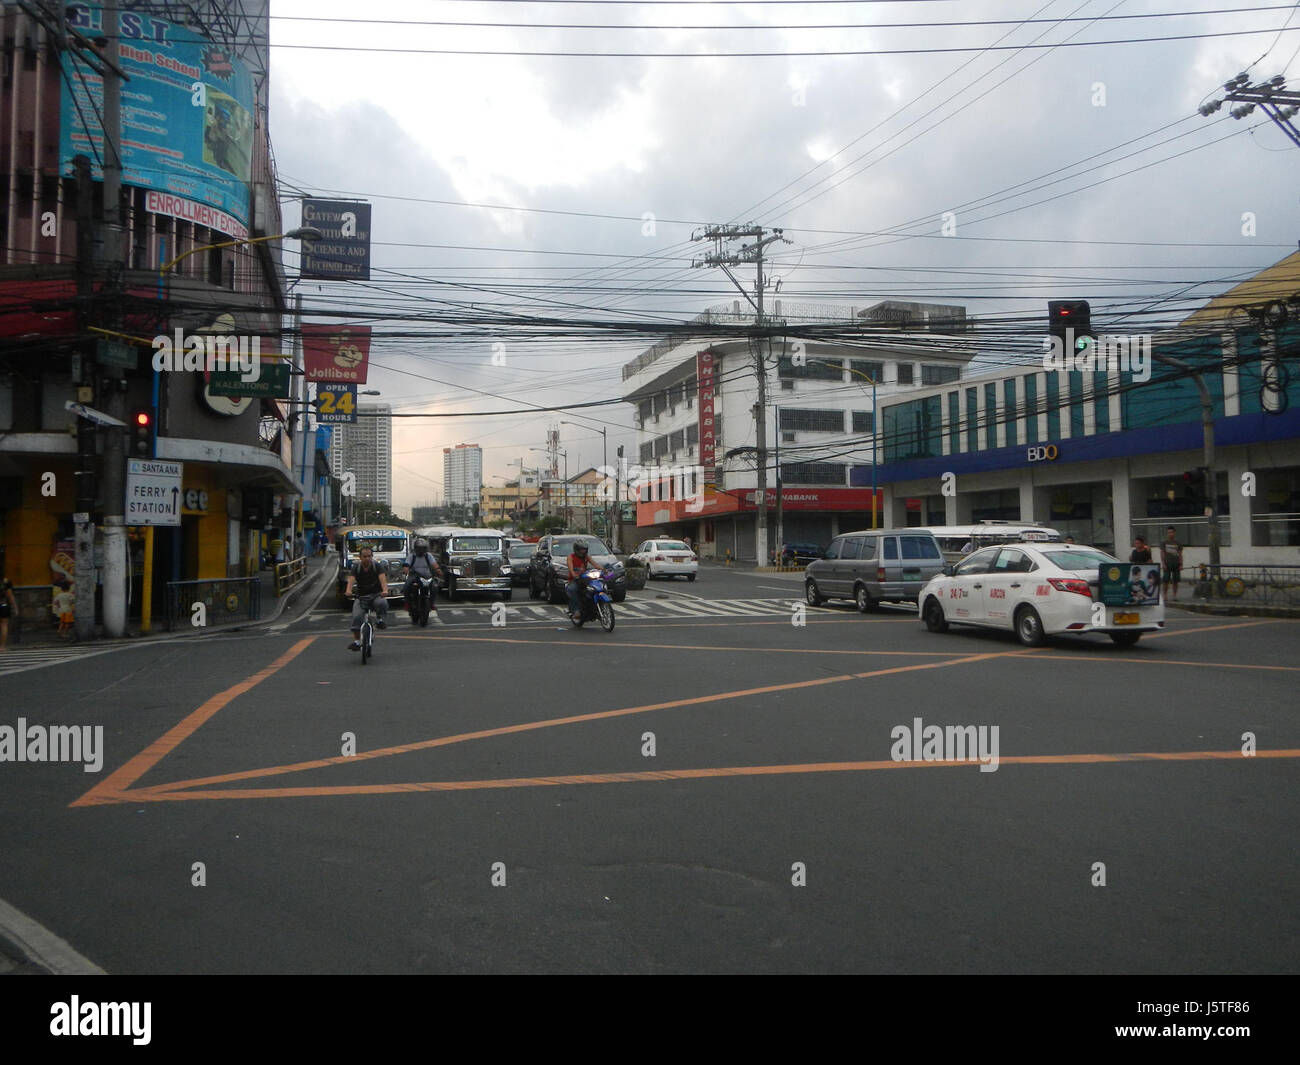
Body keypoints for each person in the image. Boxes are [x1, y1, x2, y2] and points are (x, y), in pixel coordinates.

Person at [343, 544, 388, 650]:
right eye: (365, 556)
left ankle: (380, 619)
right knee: (357, 617)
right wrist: (348, 591)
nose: (367, 558)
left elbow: (382, 579)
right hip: (361, 596)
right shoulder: (356, 567)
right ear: (360, 557)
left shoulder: (377, 566)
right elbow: (351, 579)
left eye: (369, 556)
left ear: (372, 557)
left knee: (382, 603)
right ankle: (357, 642)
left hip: (376, 595)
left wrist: (385, 590)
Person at [401, 537, 444, 621]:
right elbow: (406, 565)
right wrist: (406, 570)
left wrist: (439, 571)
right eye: (419, 548)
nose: (421, 550)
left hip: (427, 576)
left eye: (423, 548)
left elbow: (434, 564)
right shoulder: (411, 556)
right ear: (415, 548)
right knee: (406, 587)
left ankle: (431, 603)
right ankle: (407, 603)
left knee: (435, 587)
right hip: (414, 576)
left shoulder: (429, 556)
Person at [566, 540, 595, 621]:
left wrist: (604, 570)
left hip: (585, 579)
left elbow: (595, 564)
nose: (583, 551)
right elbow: (570, 568)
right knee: (572, 589)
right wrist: (574, 574)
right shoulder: (570, 557)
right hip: (575, 580)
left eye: (585, 549)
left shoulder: (587, 557)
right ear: (577, 549)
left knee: (595, 587)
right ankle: (576, 611)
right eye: (582, 549)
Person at [1159, 526, 1183, 601]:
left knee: (1175, 581)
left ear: (1174, 533)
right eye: (1169, 532)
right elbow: (1162, 553)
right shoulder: (1164, 542)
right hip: (1167, 563)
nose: (1170, 534)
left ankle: (1174, 596)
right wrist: (1163, 564)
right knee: (1165, 581)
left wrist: (1181, 564)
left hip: (1176, 564)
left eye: (1171, 532)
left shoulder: (1178, 543)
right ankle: (1165, 595)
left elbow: (1180, 554)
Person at [0, 570, 16, 651]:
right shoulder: (6, 582)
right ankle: (2, 647)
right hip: (3, 605)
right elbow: (10, 596)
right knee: (4, 625)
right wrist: (15, 607)